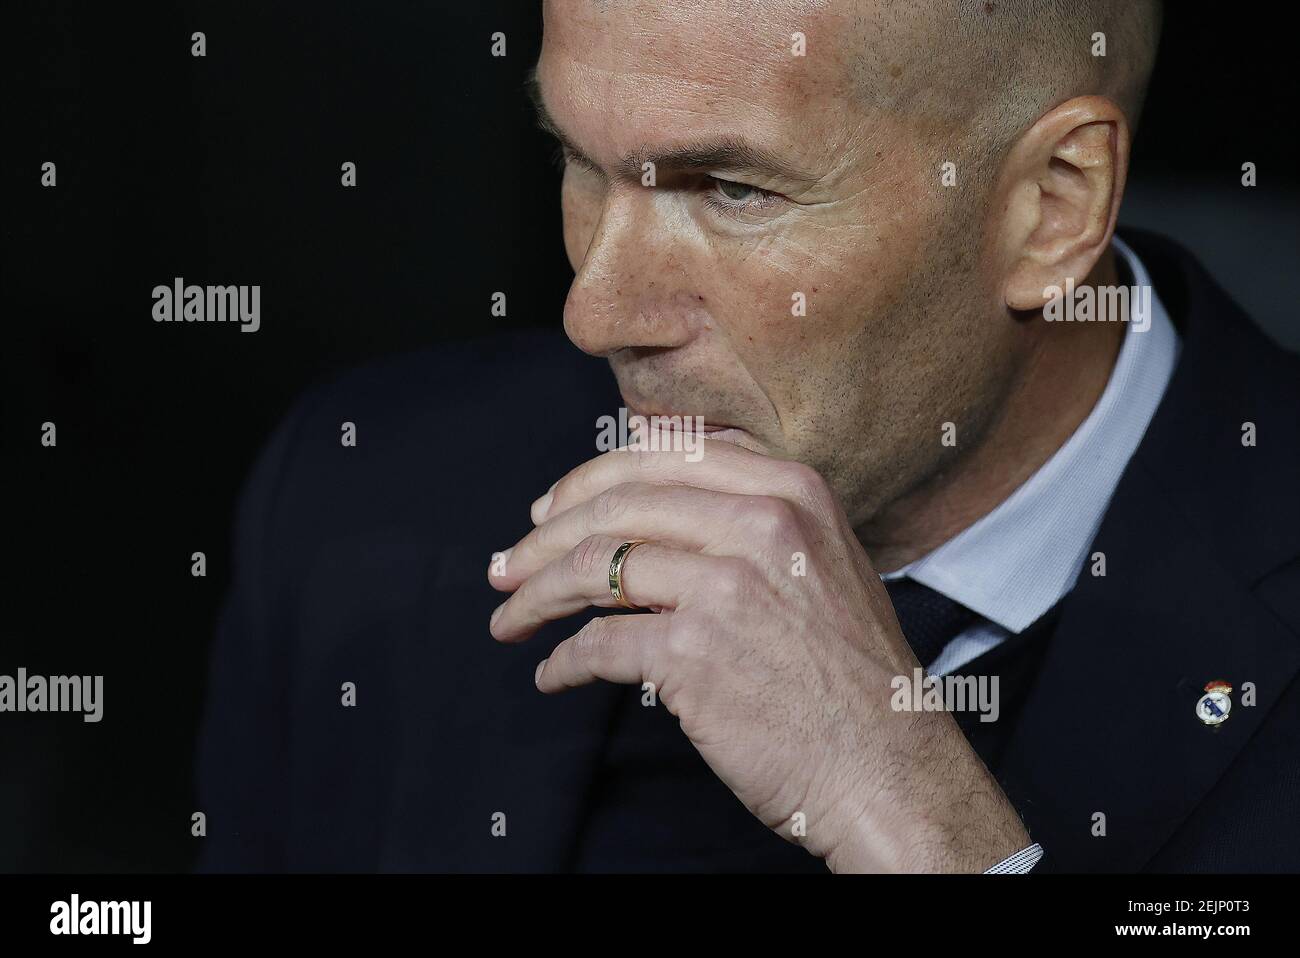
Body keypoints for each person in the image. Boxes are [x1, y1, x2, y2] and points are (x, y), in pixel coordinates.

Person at [196, 0, 1300, 872]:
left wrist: (923, 828)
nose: (595, 313)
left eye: (729, 190)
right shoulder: (361, 498)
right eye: (576, 158)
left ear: (1052, 206)